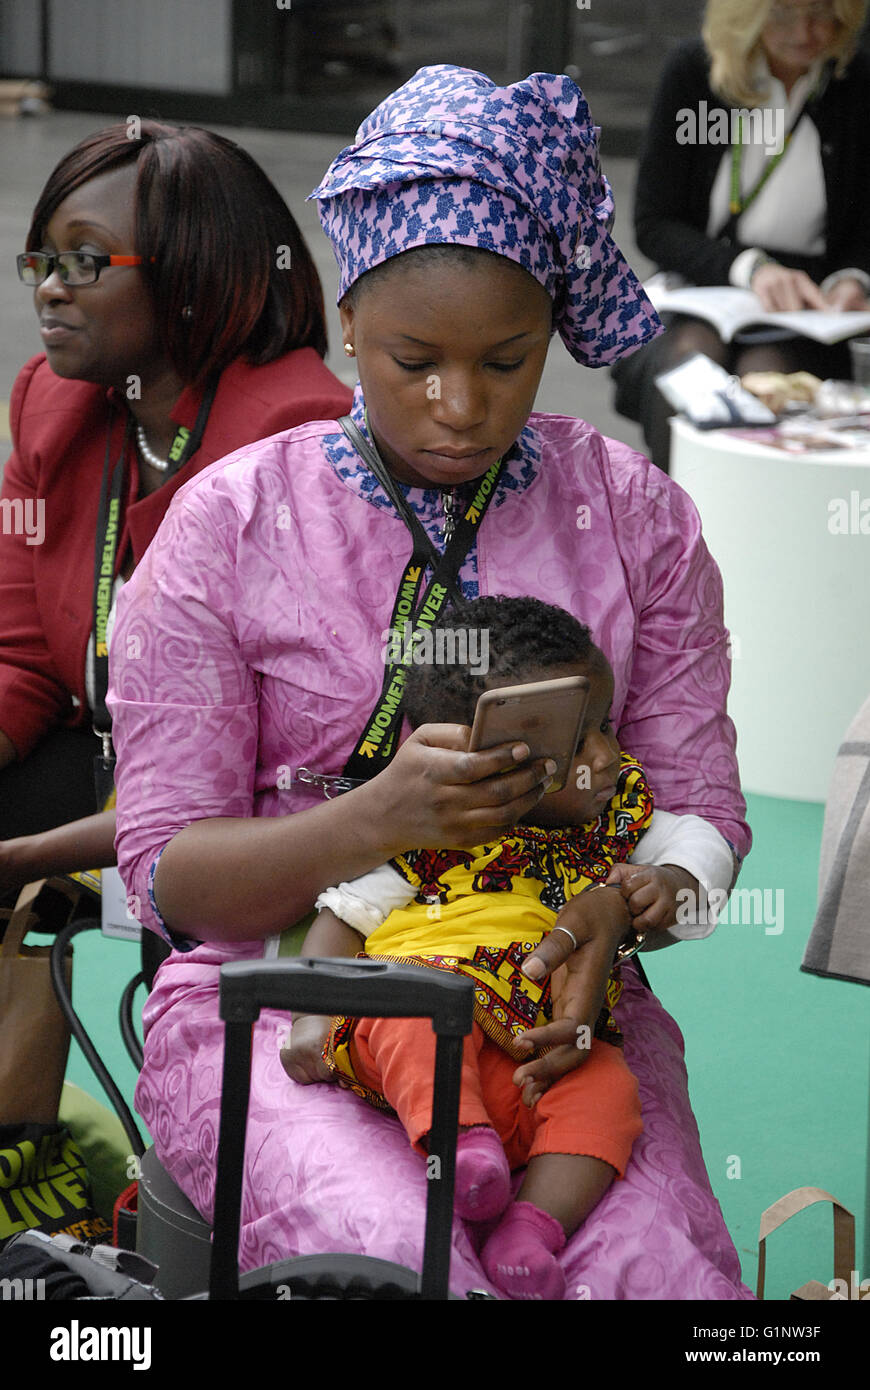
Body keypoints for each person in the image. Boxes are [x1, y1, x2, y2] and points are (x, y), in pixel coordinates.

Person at [109, 65, 754, 1299]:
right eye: (413, 361)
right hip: (280, 1001)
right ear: (348, 316)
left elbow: (702, 819)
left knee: (647, 1273)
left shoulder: (633, 516)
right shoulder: (231, 524)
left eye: (508, 363)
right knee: (399, 1259)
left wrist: (617, 915)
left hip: (559, 997)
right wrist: (375, 822)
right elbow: (171, 881)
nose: (460, 409)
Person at [282, 595, 735, 1300]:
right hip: (428, 1025)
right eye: (580, 741)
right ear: (485, 759)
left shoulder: (610, 821)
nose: (609, 756)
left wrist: (671, 880)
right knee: (408, 1018)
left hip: (547, 1050)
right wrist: (310, 1016)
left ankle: (533, 1227)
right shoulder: (428, 830)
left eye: (608, 727)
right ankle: (460, 1151)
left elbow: (702, 838)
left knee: (611, 1090)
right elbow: (344, 915)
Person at [0, 120, 352, 898]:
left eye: (86, 260)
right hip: (105, 759)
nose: (51, 286)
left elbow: (299, 742)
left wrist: (42, 852)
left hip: (258, 802)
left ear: (192, 276)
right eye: (45, 258)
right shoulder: (49, 405)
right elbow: (21, 661)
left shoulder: (299, 441)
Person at [612, 0, 870, 470]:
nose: (806, 31)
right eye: (784, 13)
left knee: (769, 377)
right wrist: (750, 269)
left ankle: (751, 529)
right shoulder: (695, 72)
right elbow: (655, 223)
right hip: (702, 282)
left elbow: (865, 225)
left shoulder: (856, 79)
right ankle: (679, 525)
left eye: (823, 12)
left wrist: (853, 278)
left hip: (807, 305)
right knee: (690, 371)